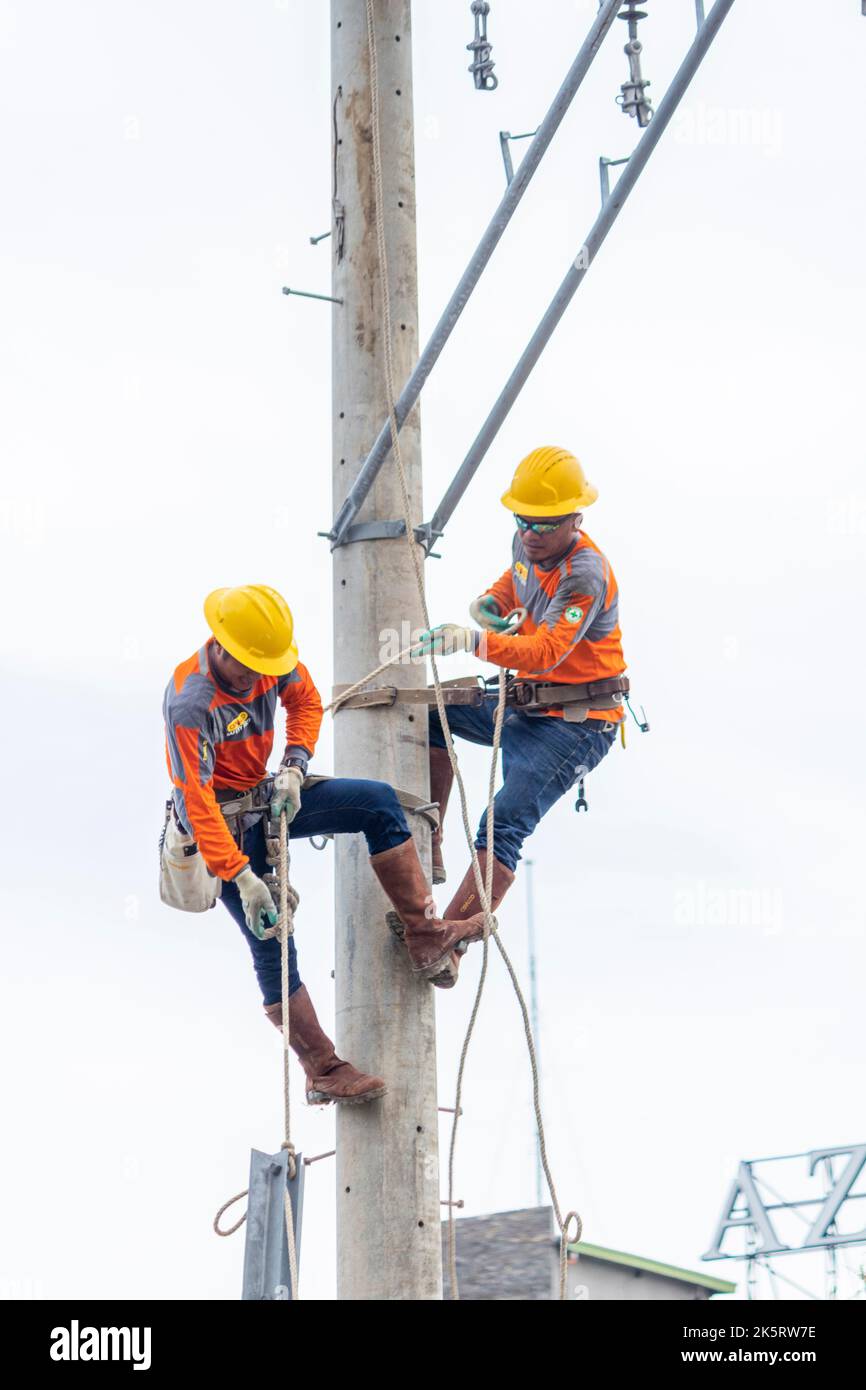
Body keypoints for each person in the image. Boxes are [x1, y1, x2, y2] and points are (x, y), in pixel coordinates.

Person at [162, 584, 488, 1101]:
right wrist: (242, 877)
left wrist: (294, 764)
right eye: (245, 668)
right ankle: (323, 1068)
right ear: (220, 646)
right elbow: (197, 801)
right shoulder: (191, 703)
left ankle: (424, 934)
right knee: (272, 940)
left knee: (376, 803)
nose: (254, 678)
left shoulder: (270, 659)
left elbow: (307, 701)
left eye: (259, 668)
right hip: (217, 830)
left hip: (266, 799)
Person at [417, 446, 627, 988]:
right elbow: (510, 587)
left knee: (502, 822)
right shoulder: (526, 545)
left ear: (575, 520)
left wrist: (475, 640)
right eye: (523, 520)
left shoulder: (586, 575)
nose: (531, 533)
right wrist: (488, 605)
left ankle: (454, 939)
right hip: (525, 705)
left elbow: (546, 653)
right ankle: (432, 842)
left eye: (545, 524)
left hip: (576, 726)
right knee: (430, 714)